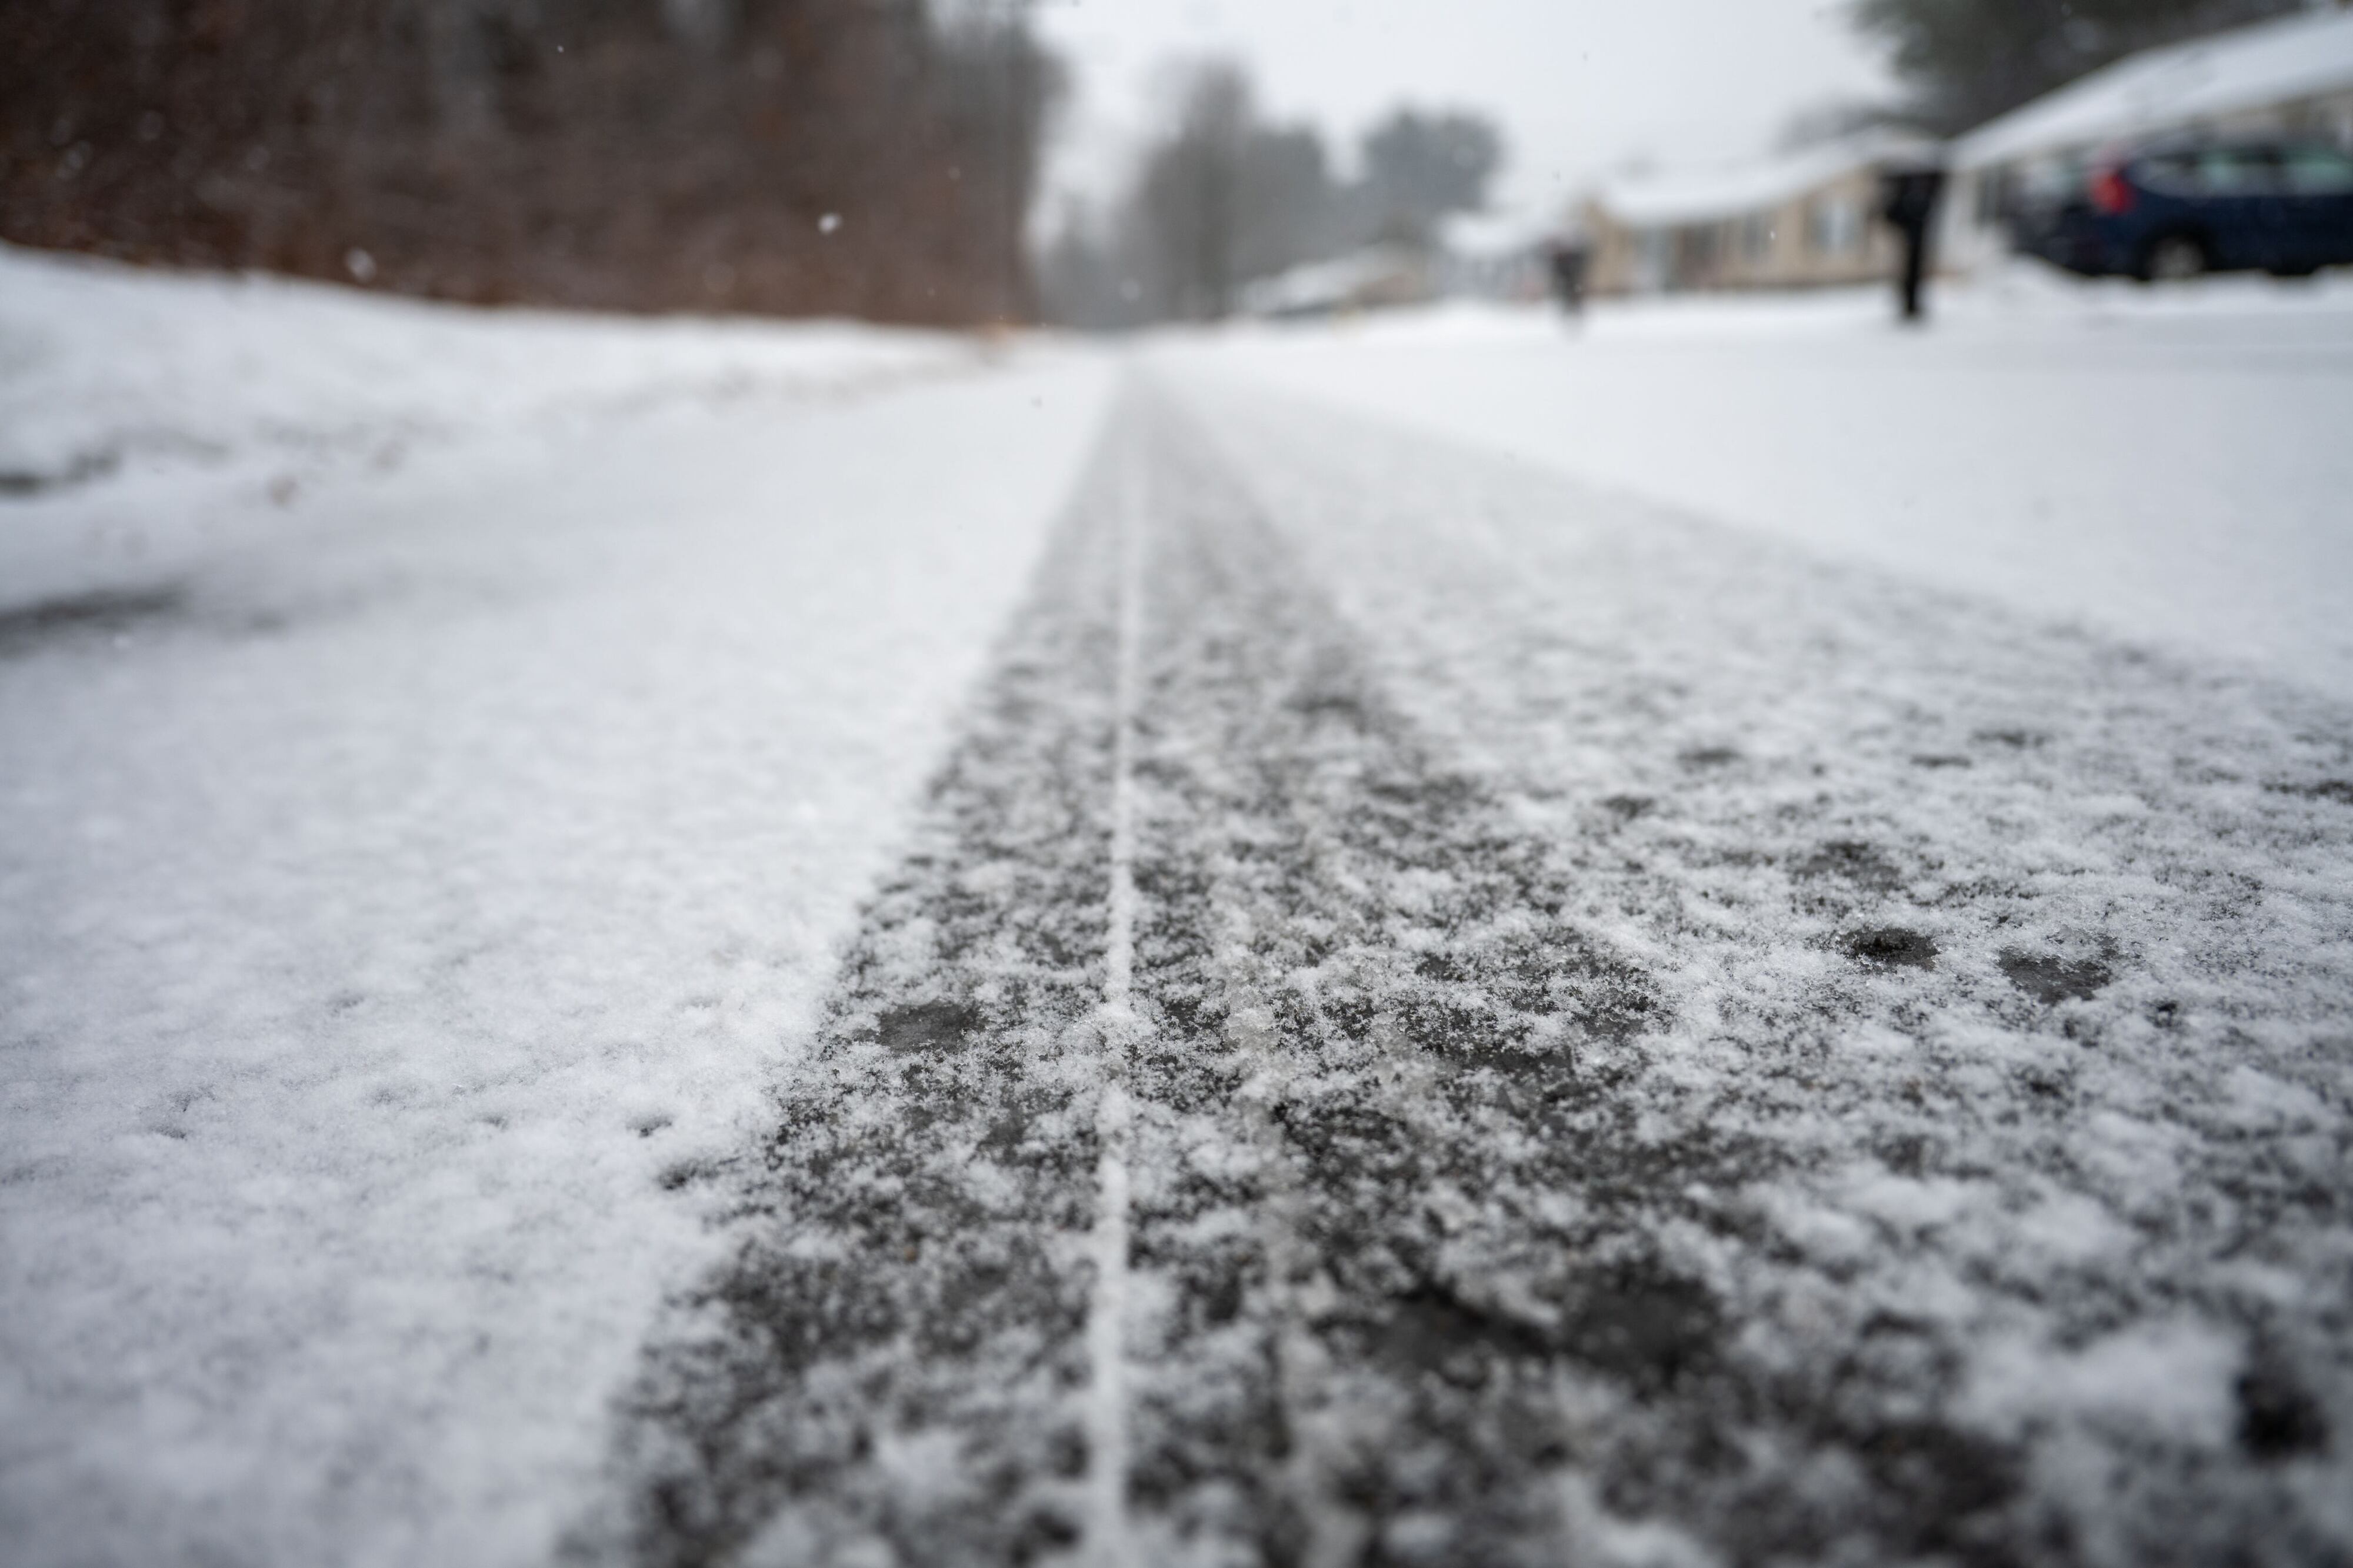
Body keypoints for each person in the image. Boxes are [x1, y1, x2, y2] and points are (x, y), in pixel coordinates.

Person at [1878, 160, 1948, 323]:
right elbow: (1890, 215)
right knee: (1908, 273)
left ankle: (1912, 306)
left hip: (1917, 241)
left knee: (1914, 273)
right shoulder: (1905, 197)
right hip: (1908, 241)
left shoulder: (1924, 195)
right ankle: (1909, 306)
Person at [1547, 233, 1590, 317]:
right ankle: (1569, 311)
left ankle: (1575, 310)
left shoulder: (1572, 257)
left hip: (1572, 281)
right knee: (1568, 295)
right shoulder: (1561, 259)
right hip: (1567, 281)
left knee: (1574, 294)